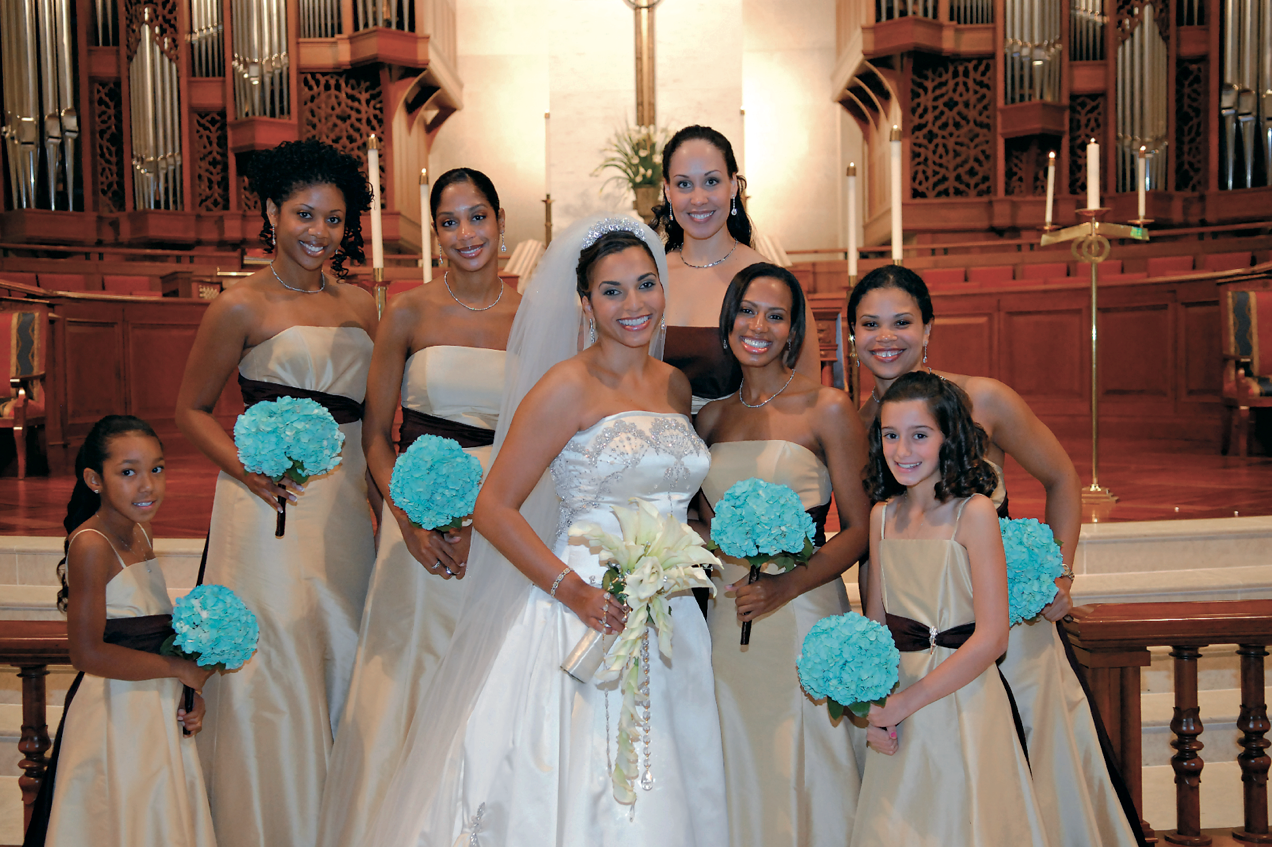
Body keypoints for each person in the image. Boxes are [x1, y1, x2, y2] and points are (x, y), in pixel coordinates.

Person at [361, 216, 728, 846]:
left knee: (669, 774)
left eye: (646, 285)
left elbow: (675, 496)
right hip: (578, 608)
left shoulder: (672, 385)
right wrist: (573, 591)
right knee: (573, 775)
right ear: (584, 304)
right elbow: (495, 508)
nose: (633, 304)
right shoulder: (565, 386)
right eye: (612, 291)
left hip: (668, 616)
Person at [850, 265, 1144, 847]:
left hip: (1004, 620)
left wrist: (1059, 572)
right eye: (870, 324)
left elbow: (1061, 477)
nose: (887, 337)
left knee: (1030, 768)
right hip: (920, 635)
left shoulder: (983, 398)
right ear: (852, 334)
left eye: (902, 322)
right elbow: (877, 537)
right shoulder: (864, 422)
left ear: (928, 327)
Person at [174, 139, 378, 847]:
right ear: (271, 212)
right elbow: (191, 408)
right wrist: (245, 468)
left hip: (346, 504)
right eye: (303, 214)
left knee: (345, 647)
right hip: (264, 508)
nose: (318, 232)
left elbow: (380, 417)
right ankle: (270, 822)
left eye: (332, 218)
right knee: (275, 662)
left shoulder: (364, 304)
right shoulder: (238, 306)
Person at [318, 167, 519, 847]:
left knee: (491, 673)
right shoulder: (406, 310)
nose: (466, 234)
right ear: (434, 233)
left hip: (503, 520)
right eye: (450, 221)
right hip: (416, 523)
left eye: (477, 217)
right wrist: (405, 517)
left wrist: (494, 518)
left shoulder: (534, 315)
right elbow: (375, 434)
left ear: (500, 221)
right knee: (409, 673)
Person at [695, 263, 870, 847]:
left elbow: (861, 527)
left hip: (802, 609)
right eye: (747, 311)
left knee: (805, 760)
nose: (759, 326)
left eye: (776, 315)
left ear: (794, 331)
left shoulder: (828, 408)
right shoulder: (710, 417)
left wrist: (783, 588)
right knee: (738, 755)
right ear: (729, 322)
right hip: (728, 614)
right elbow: (700, 518)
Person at [853, 372, 1048, 846]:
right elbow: (878, 629)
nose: (903, 451)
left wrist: (907, 702)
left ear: (949, 438)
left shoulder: (974, 512)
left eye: (920, 436)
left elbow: (993, 637)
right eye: (891, 435)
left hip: (963, 700)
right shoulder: (881, 516)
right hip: (898, 701)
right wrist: (877, 707)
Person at [24, 415, 216, 847]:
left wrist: (189, 691)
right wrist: (176, 669)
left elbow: (150, 629)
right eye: (127, 472)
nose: (146, 485)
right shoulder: (92, 545)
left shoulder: (140, 533)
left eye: (156, 469)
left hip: (153, 710)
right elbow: (87, 653)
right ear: (94, 479)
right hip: (117, 717)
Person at [653, 126, 820, 414]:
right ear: (667, 191)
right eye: (683, 184)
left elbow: (808, 397)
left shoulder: (770, 283)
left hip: (742, 450)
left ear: (733, 185)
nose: (698, 199)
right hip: (654, 452)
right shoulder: (649, 281)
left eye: (711, 181)